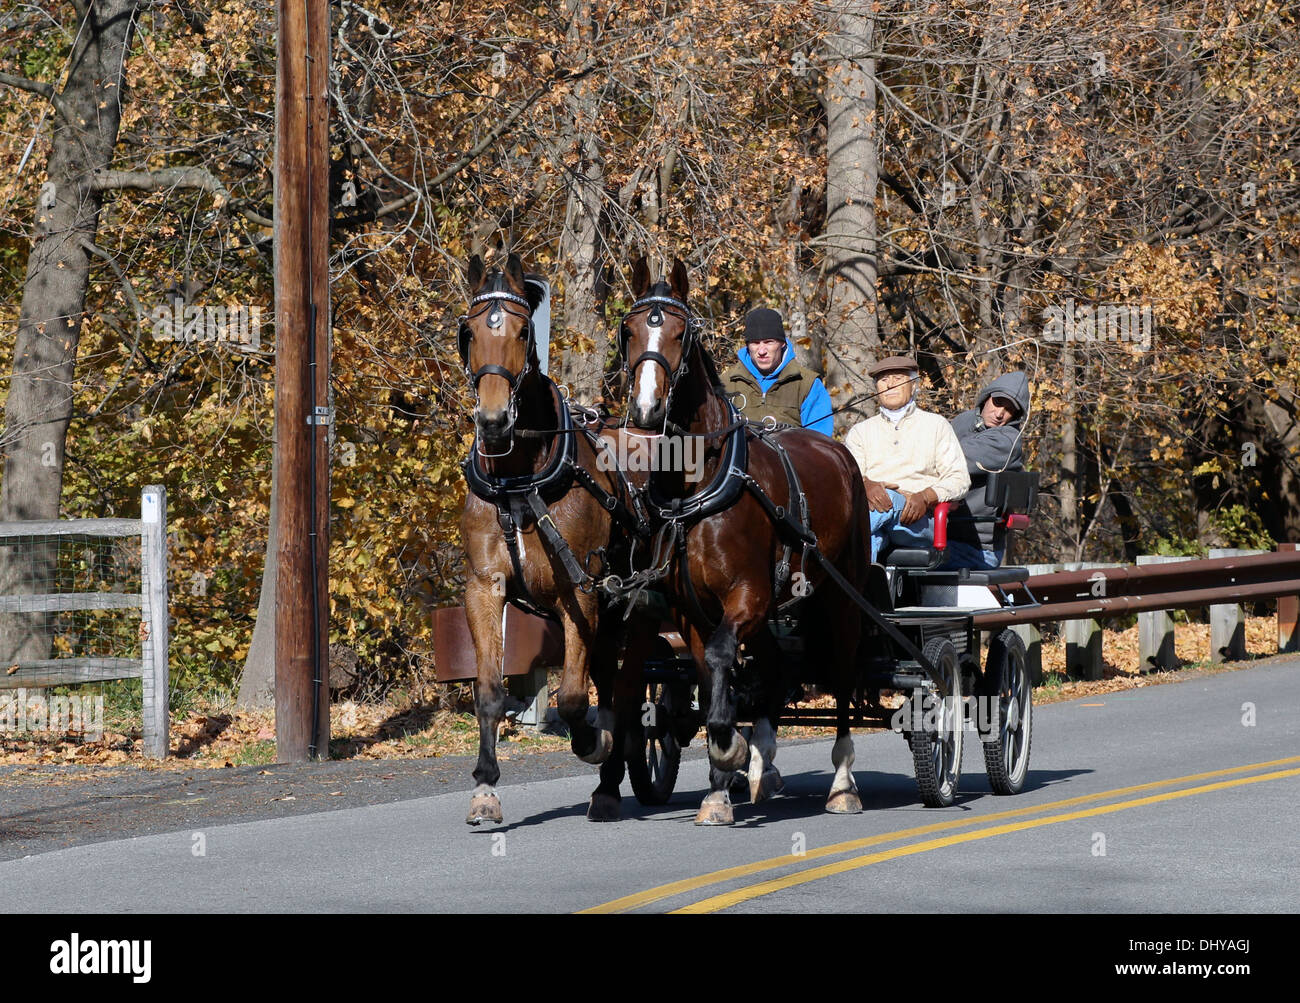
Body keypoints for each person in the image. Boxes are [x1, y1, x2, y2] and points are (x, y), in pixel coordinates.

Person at [843, 356, 970, 563]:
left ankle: (827, 541)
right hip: (875, 516)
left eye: (897, 378)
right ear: (876, 388)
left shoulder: (936, 425)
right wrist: (865, 484)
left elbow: (959, 479)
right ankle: (865, 592)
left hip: (918, 520)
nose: (890, 384)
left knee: (889, 499)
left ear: (913, 386)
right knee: (872, 538)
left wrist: (926, 496)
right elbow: (849, 477)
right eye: (883, 380)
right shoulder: (860, 431)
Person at [942, 371, 1031, 569]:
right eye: (998, 402)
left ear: (1016, 415)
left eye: (1009, 410)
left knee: (911, 564)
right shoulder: (964, 421)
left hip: (975, 548)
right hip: (939, 533)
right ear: (987, 398)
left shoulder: (1007, 442)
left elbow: (950, 460)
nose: (1000, 414)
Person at [720, 308, 833, 435]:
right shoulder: (724, 384)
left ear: (782, 344)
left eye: (769, 342)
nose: (762, 351)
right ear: (747, 346)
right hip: (738, 454)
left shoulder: (808, 385)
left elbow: (820, 442)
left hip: (793, 453)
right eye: (755, 343)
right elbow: (701, 436)